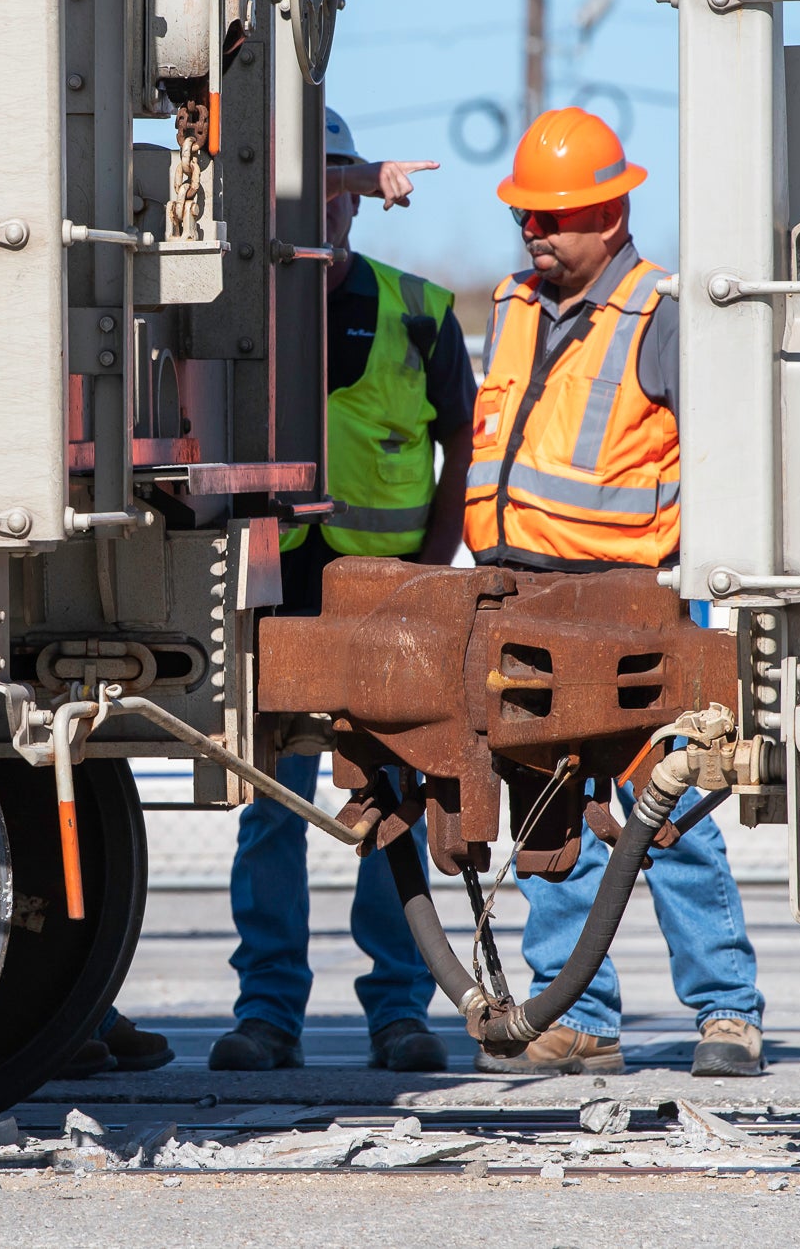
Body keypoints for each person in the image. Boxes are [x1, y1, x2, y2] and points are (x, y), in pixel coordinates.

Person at [464, 107, 766, 1078]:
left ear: (609, 214)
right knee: (548, 811)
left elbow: (725, 456)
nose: (532, 232)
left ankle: (726, 1012)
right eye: (524, 216)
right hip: (525, 597)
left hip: (632, 602)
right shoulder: (511, 305)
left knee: (662, 806)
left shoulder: (660, 314)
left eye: (550, 218)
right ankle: (578, 1017)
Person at [209, 108, 476, 1075]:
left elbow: (459, 447)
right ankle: (267, 1013)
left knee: (392, 801)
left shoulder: (419, 309)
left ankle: (398, 1011)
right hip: (273, 590)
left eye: (336, 184)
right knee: (272, 807)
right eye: (303, 184)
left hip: (389, 598)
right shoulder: (233, 308)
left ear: (354, 202)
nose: (321, 204)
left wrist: (433, 575)